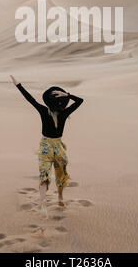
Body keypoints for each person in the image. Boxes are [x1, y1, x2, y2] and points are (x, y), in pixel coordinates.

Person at [10, 75, 84, 217]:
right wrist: (68, 95)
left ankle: (57, 199)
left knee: (60, 173)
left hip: (54, 145)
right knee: (47, 173)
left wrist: (18, 85)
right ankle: (45, 202)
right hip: (49, 145)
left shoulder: (54, 112)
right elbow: (80, 101)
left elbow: (29, 98)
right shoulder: (60, 112)